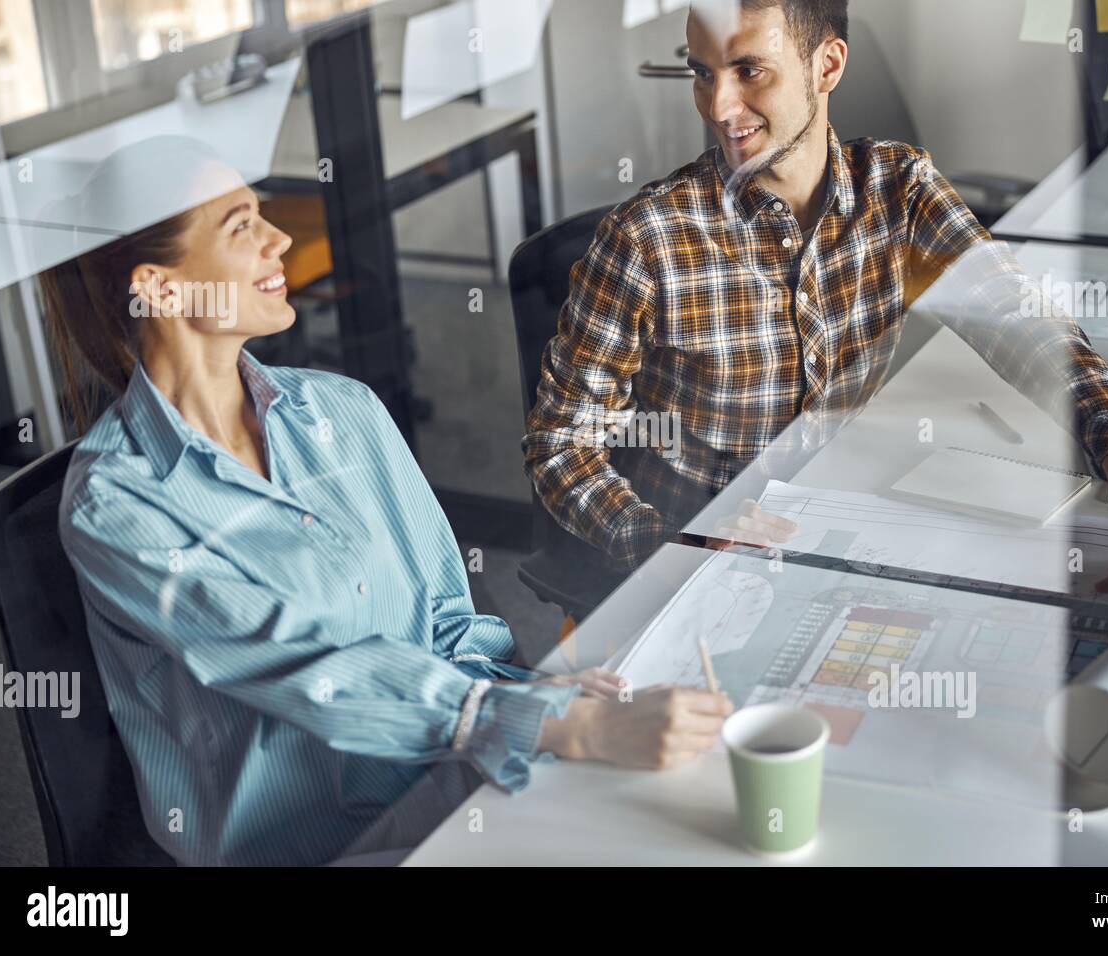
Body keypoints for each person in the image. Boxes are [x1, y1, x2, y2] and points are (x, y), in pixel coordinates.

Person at [48, 137, 731, 866]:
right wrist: (562, 727)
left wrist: (547, 696)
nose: (280, 238)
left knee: (700, 812)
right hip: (324, 843)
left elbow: (445, 620)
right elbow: (311, 670)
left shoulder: (345, 410)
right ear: (159, 287)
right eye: (241, 224)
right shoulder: (118, 502)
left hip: (458, 776)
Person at [524, 0, 1108, 600]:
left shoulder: (899, 190)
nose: (719, 106)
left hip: (841, 535)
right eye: (702, 73)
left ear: (827, 66)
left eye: (750, 71)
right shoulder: (649, 240)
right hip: (690, 579)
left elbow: (1018, 322)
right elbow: (560, 446)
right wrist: (667, 541)